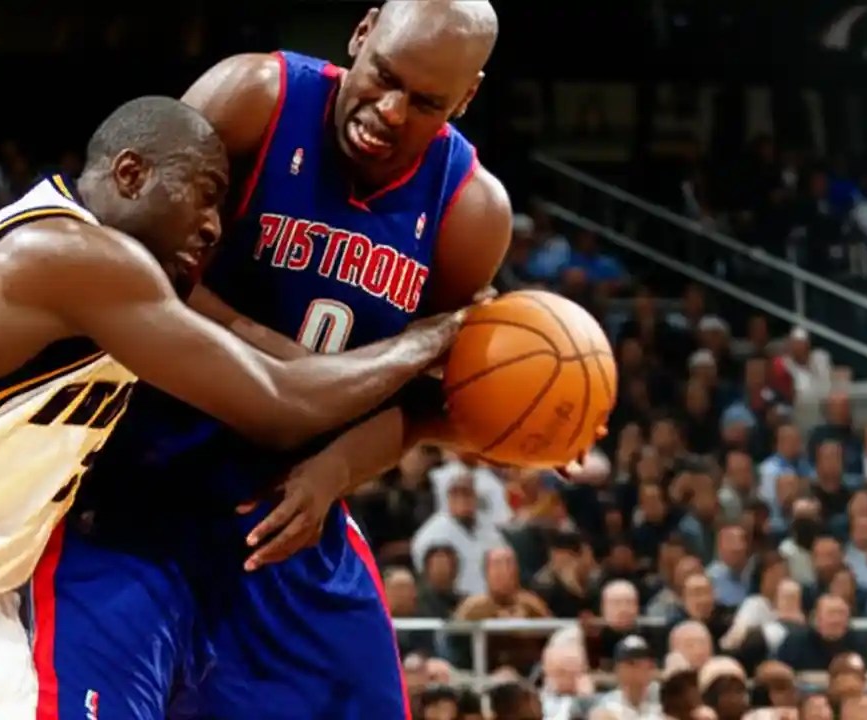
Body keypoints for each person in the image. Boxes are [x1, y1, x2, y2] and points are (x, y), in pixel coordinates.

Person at [0, 97, 460, 720]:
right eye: (203, 194)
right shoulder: (68, 256)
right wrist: (438, 338)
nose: (213, 226)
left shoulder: (129, 289)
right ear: (130, 174)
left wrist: (426, 411)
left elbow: (279, 363)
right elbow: (276, 404)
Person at [31, 2, 531, 719]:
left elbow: (422, 398)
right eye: (384, 75)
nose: (389, 111)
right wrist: (275, 357)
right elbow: (121, 253)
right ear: (361, 33)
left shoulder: (470, 211)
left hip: (285, 514)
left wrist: (337, 469)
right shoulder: (254, 100)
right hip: (130, 494)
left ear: (467, 97)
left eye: (425, 103)